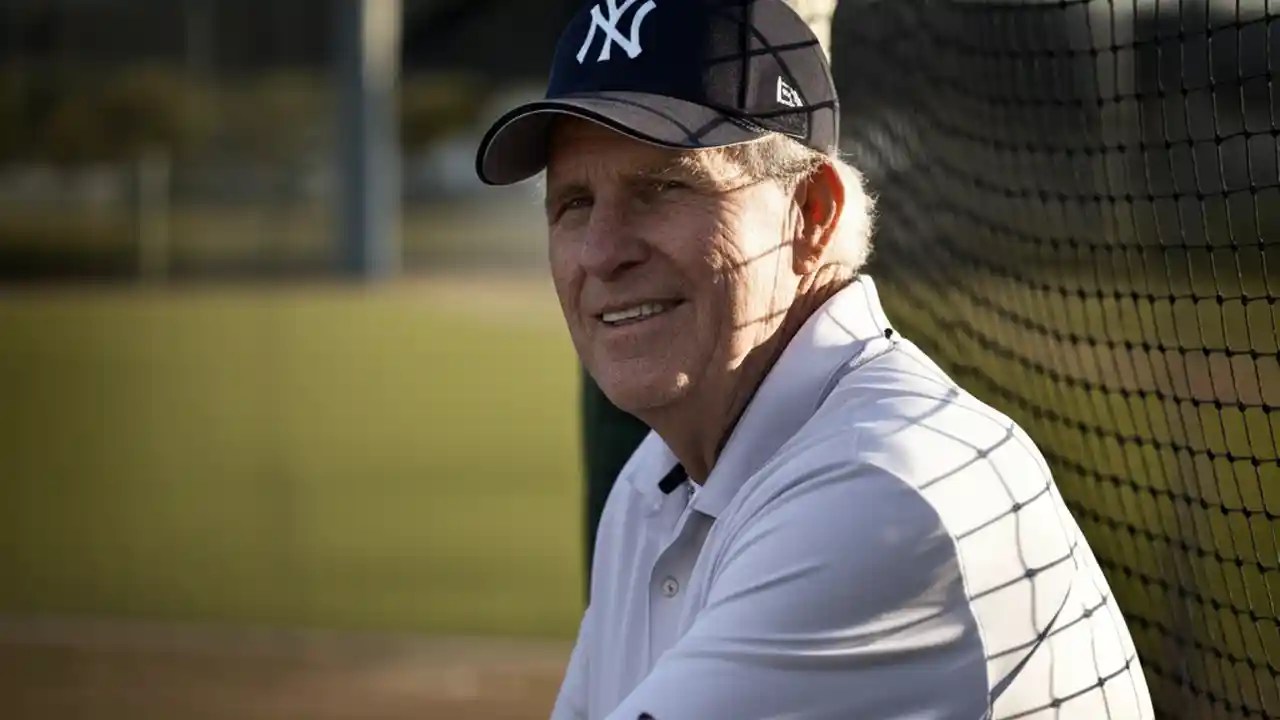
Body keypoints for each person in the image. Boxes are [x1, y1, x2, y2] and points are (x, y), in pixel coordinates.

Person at [475, 1, 1156, 718]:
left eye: (663, 187)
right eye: (573, 204)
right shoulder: (653, 486)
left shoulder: (878, 488)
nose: (603, 252)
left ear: (813, 214)